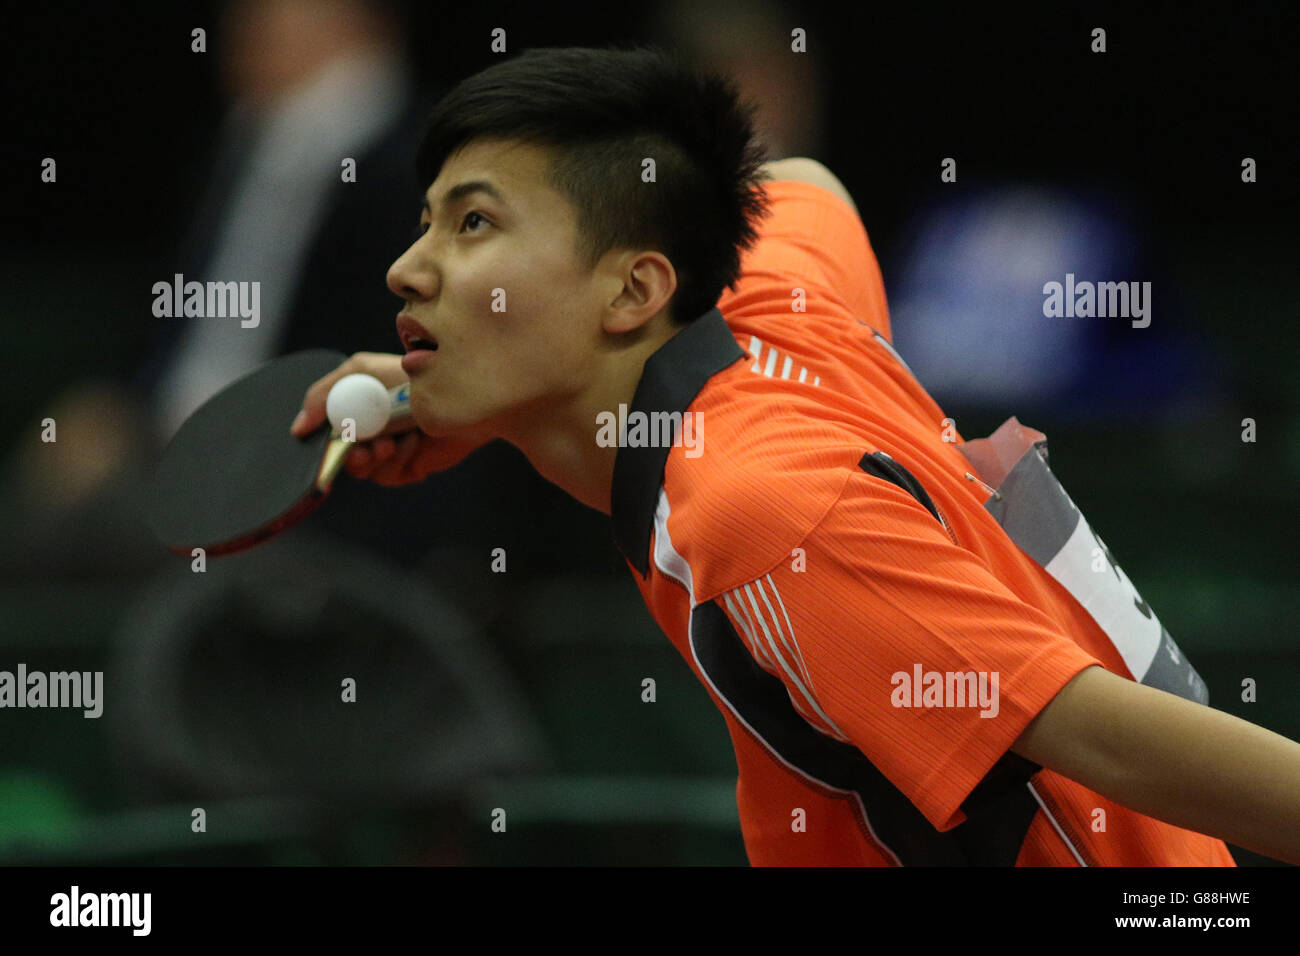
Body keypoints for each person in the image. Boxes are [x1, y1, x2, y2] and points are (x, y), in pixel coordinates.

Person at [290, 46, 1300, 865]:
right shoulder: (770, 308)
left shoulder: (761, 510)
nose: (405, 265)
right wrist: (479, 404)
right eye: (425, 221)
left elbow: (1103, 733)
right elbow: (800, 183)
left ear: (636, 291)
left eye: (473, 223)